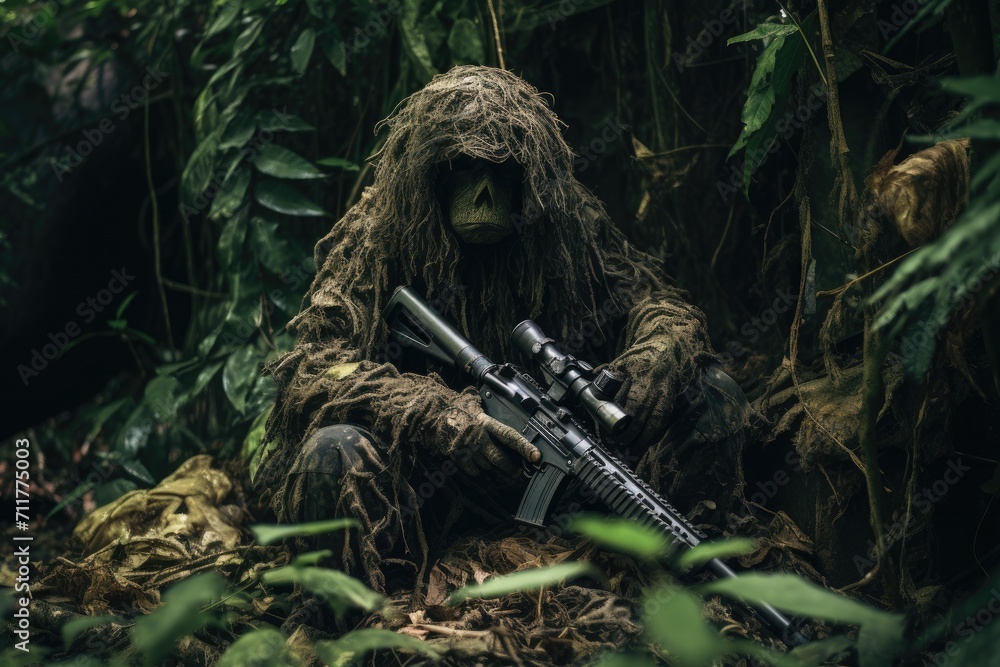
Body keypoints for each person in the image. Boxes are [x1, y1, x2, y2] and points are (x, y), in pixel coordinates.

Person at [253, 65, 748, 596]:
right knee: (334, 451)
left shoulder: (566, 223)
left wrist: (652, 360)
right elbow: (316, 366)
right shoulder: (380, 233)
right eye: (465, 171)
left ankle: (693, 576)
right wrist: (431, 412)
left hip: (567, 470)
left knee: (713, 392)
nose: (485, 195)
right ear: (430, 179)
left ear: (529, 178)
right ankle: (355, 621)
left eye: (501, 173)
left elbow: (659, 304)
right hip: (431, 484)